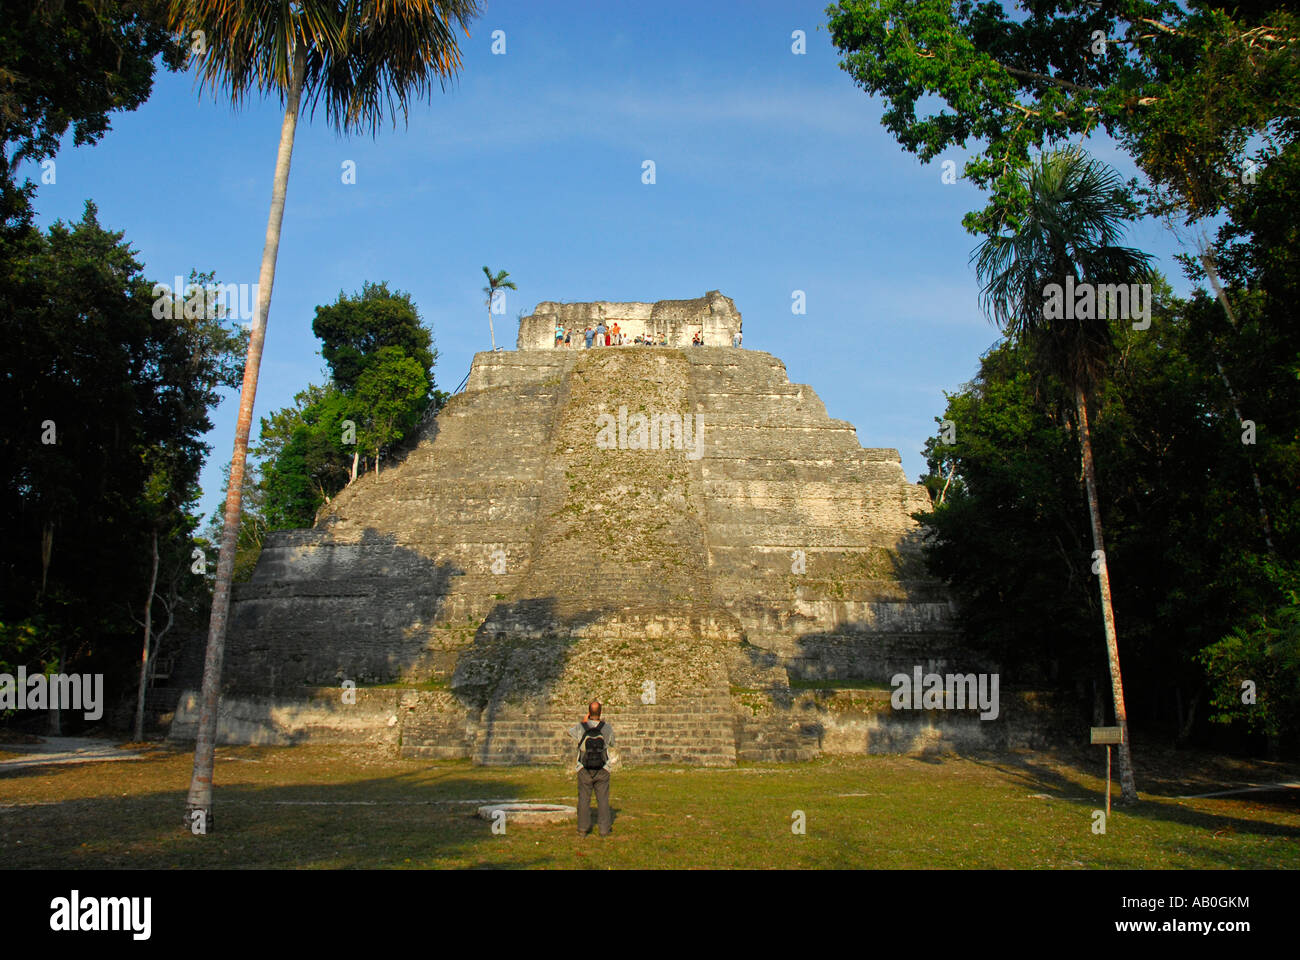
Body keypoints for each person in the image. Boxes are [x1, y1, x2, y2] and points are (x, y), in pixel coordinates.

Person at [569, 700, 614, 837]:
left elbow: (569, 733)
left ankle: (583, 829)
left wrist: (584, 721)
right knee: (603, 799)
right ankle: (604, 829)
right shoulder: (607, 728)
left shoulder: (580, 727)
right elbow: (611, 743)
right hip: (602, 767)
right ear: (600, 712)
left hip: (584, 768)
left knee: (584, 798)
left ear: (589, 712)